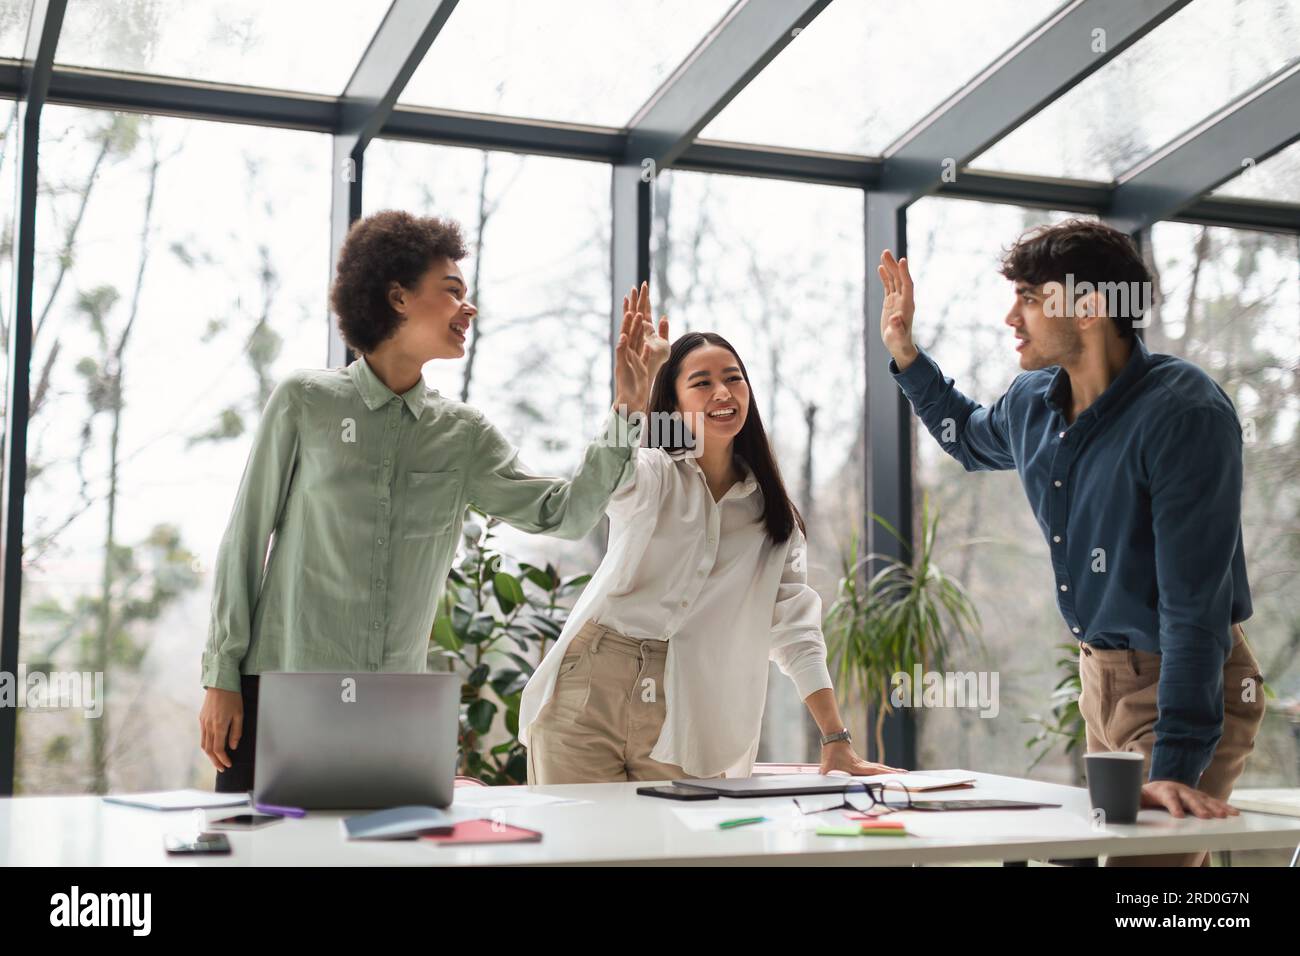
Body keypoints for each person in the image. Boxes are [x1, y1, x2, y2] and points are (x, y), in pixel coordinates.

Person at [198, 210, 661, 791]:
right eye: (451, 292)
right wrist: (222, 677)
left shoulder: (463, 435)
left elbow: (563, 513)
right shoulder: (305, 401)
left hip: (391, 705)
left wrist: (627, 409)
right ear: (397, 297)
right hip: (278, 689)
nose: (468, 308)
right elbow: (245, 538)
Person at [877, 218, 1266, 866]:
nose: (1011, 317)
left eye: (1030, 297)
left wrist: (1172, 764)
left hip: (1184, 682)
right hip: (1100, 682)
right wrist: (907, 353)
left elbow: (1194, 610)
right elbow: (969, 437)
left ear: (1089, 308)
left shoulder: (1184, 414)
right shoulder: (1033, 402)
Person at [520, 322, 902, 783]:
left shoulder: (774, 519)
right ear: (675, 405)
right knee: (580, 853)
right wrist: (628, 404)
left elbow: (797, 632)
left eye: (733, 377)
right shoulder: (654, 476)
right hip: (587, 690)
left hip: (688, 712)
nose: (722, 391)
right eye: (701, 382)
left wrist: (835, 740)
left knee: (682, 853)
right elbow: (610, 482)